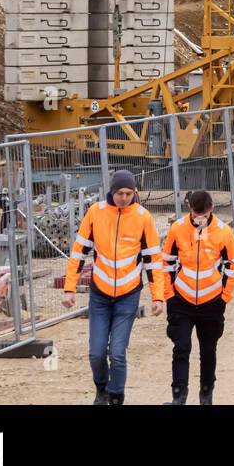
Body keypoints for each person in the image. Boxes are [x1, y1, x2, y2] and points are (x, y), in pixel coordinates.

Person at [62, 170, 166, 405]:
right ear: (111, 191)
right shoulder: (96, 213)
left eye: (129, 193)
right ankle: (102, 388)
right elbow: (79, 252)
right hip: (100, 293)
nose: (124, 197)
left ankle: (117, 396)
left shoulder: (143, 217)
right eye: (120, 193)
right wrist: (70, 288)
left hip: (128, 294)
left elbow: (153, 260)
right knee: (96, 353)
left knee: (117, 353)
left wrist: (157, 296)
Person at [161, 190, 234, 406]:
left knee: (208, 350)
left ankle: (206, 395)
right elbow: (166, 262)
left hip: (212, 301)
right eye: (196, 214)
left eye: (203, 214)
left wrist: (225, 296)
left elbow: (232, 265)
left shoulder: (224, 232)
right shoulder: (177, 229)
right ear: (190, 209)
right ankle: (179, 396)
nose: (200, 218)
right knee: (181, 347)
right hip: (181, 300)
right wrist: (169, 295)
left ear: (211, 208)